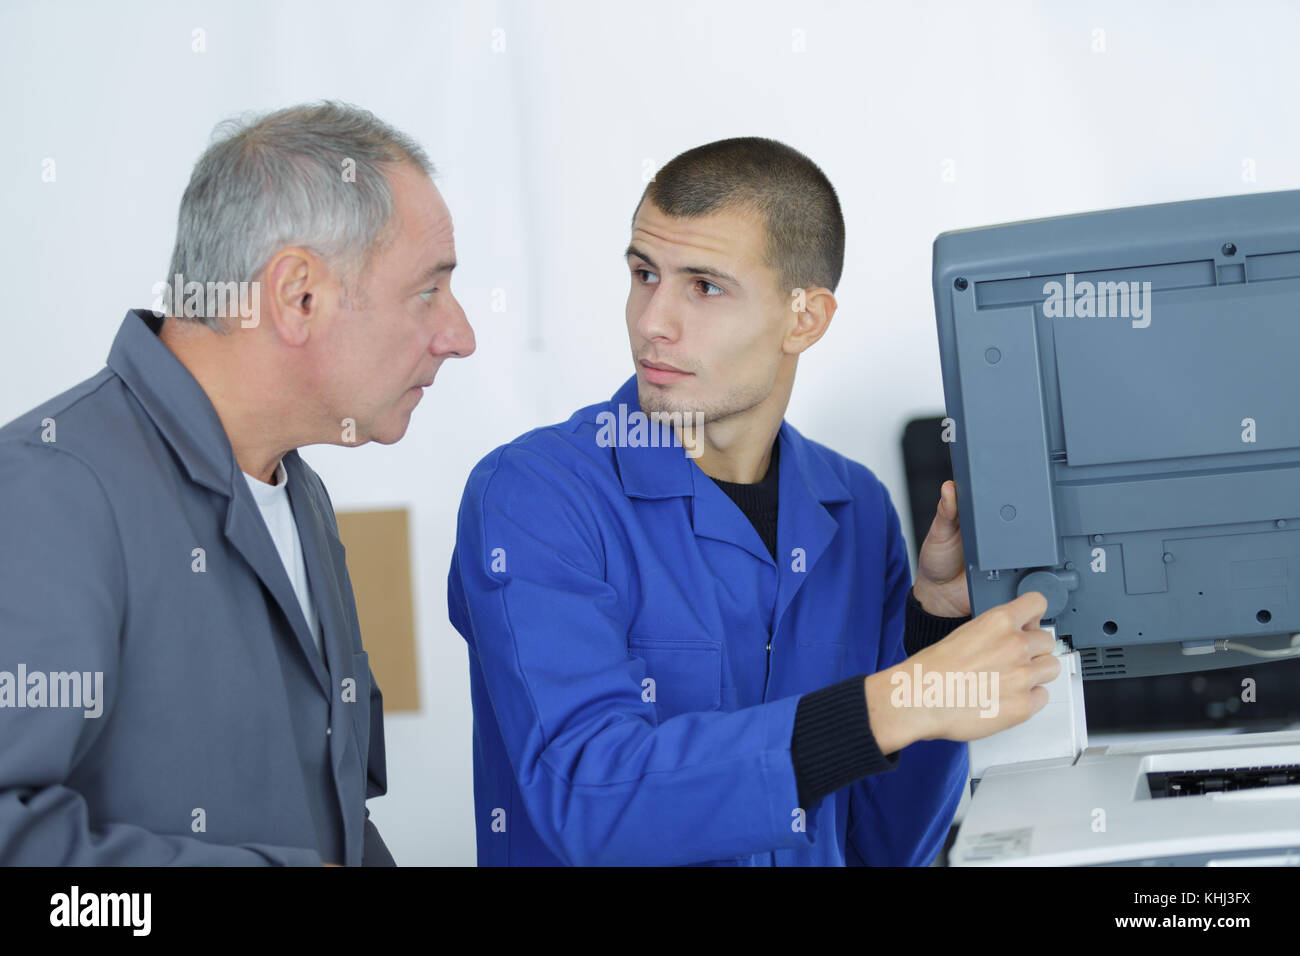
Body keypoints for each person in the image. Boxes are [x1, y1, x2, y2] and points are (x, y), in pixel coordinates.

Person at [448, 136, 1057, 866]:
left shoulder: (854, 509)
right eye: (645, 274)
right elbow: (587, 793)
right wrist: (905, 698)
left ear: (805, 318)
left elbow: (882, 847)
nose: (652, 321)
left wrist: (931, 627)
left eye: (704, 286)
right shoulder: (535, 496)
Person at [0, 101, 474, 864]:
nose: (460, 336)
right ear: (298, 296)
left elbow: (335, 819)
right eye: (429, 290)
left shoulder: (300, 497)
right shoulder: (51, 489)